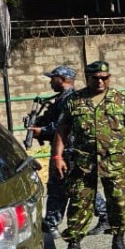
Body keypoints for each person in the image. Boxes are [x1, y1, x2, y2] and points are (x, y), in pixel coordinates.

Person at [51, 61, 125, 249]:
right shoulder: (74, 101)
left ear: (109, 77)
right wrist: (57, 157)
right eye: (95, 77)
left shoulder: (121, 100)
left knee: (118, 202)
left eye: (104, 77)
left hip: (114, 161)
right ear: (87, 78)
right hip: (83, 161)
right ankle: (74, 246)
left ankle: (118, 240)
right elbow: (62, 130)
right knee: (79, 203)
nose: (100, 81)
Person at [30, 66, 108, 238]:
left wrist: (41, 131)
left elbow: (62, 127)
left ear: (63, 79)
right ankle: (52, 223)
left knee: (66, 186)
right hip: (65, 150)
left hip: (68, 151)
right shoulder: (63, 98)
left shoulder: (70, 99)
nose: (51, 81)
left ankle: (51, 224)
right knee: (74, 185)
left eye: (53, 78)